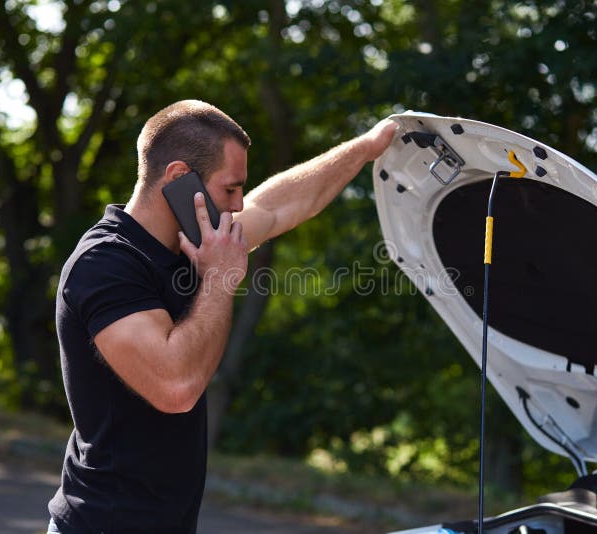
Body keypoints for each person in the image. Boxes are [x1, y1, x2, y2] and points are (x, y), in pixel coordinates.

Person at [47, 99, 397, 533]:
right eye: (229, 189)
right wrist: (219, 279)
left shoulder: (199, 240)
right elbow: (175, 387)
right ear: (178, 178)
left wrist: (367, 146)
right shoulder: (106, 265)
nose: (236, 206)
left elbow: (278, 207)